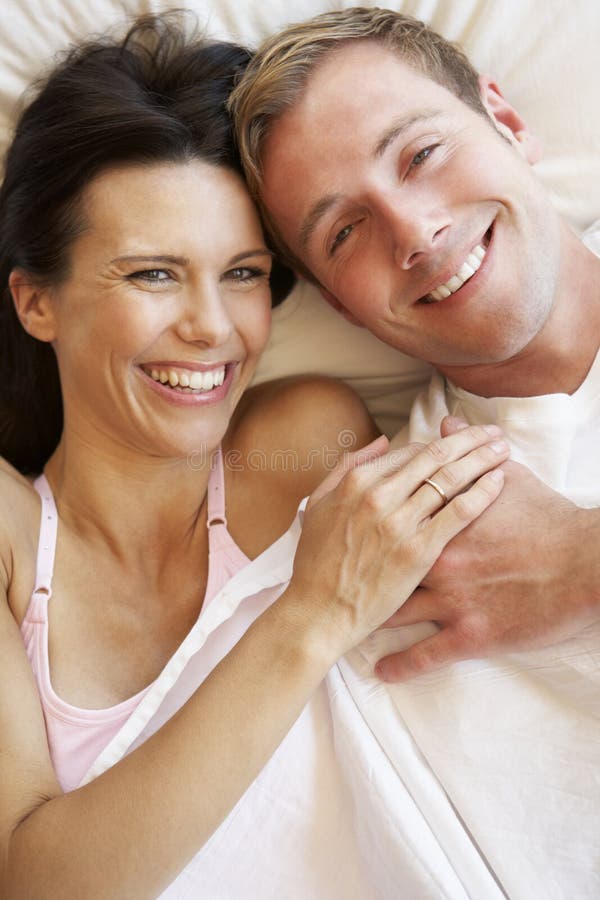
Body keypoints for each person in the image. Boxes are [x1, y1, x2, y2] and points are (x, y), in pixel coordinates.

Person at [0, 13, 510, 899]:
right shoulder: (12, 536)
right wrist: (311, 614)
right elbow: (33, 881)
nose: (211, 328)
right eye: (152, 273)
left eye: (242, 273)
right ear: (36, 302)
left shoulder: (304, 442)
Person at [230, 5, 600, 681]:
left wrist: (582, 562)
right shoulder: (409, 553)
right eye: (344, 233)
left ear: (507, 123)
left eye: (421, 154)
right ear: (340, 305)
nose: (414, 233)